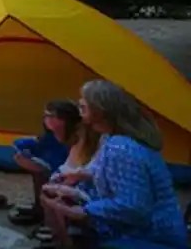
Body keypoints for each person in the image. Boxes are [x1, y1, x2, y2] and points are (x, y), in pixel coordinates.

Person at [40, 80, 188, 249]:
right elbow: (106, 170)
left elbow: (133, 207)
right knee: (57, 193)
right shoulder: (110, 137)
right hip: (142, 230)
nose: (80, 103)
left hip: (150, 237)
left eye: (85, 101)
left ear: (101, 109)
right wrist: (79, 175)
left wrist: (83, 211)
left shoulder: (122, 148)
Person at [9, 100, 80, 225]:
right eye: (46, 115)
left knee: (42, 173)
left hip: (71, 179)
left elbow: (66, 165)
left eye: (51, 116)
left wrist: (43, 167)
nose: (46, 119)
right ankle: (41, 210)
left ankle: (53, 218)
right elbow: (37, 144)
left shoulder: (76, 140)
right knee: (37, 170)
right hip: (54, 173)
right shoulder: (51, 136)